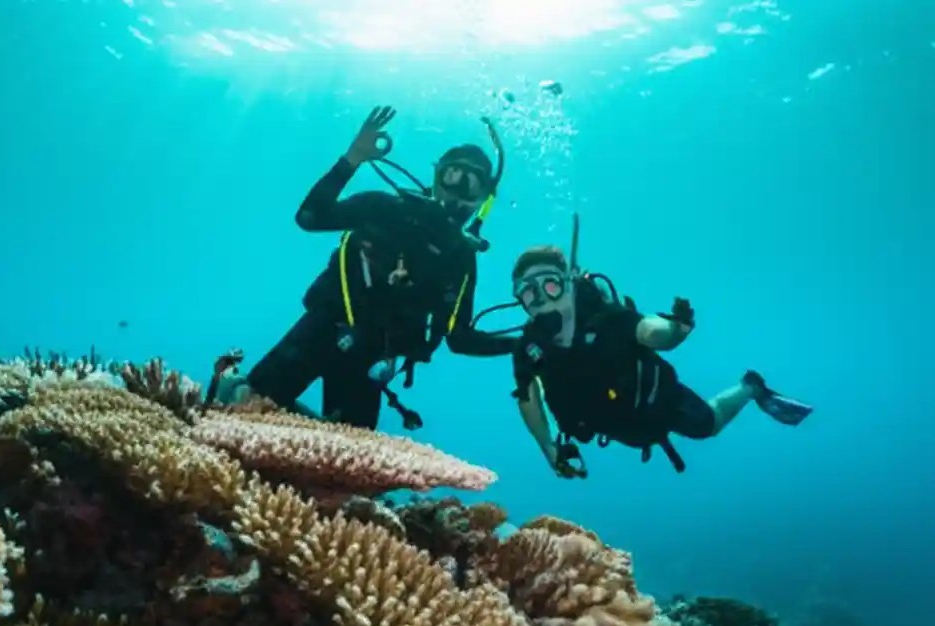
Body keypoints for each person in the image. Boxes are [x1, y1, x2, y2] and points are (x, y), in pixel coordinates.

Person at [245, 105, 518, 430]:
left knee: (347, 465)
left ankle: (298, 429)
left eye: (473, 187)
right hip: (323, 328)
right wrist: (351, 160)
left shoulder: (460, 258)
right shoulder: (385, 208)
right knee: (246, 407)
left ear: (484, 199)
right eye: (453, 177)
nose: (458, 195)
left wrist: (527, 343)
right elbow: (310, 218)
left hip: (373, 358)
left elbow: (460, 339)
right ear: (436, 177)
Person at [506, 243, 813, 477]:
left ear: (569, 283)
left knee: (709, 425)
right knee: (639, 434)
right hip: (615, 426)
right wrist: (549, 449)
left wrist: (676, 328)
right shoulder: (529, 347)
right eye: (529, 293)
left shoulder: (608, 319)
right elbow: (527, 394)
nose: (542, 298)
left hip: (661, 405)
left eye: (550, 284)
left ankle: (750, 387)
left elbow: (651, 332)